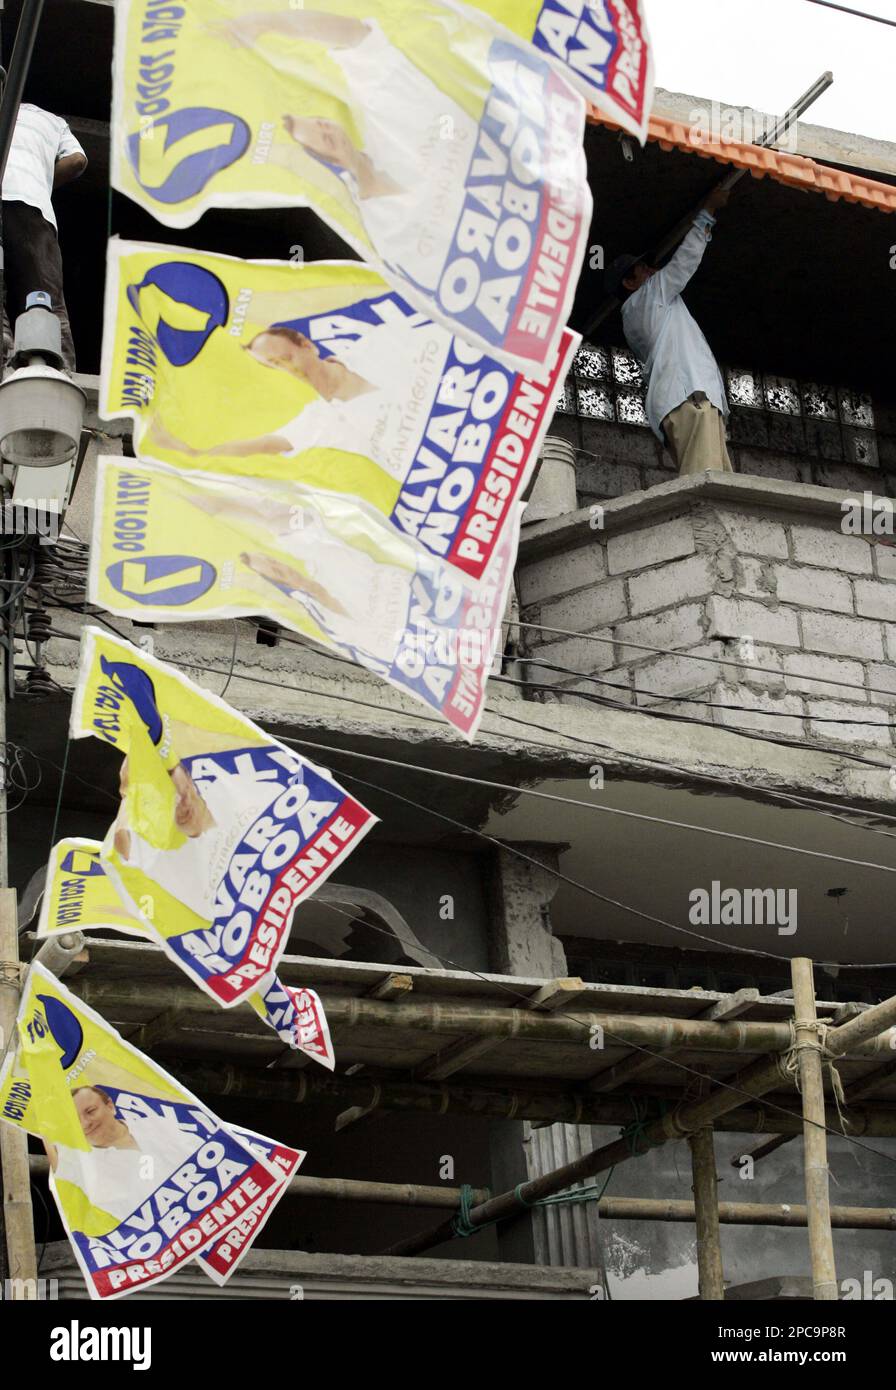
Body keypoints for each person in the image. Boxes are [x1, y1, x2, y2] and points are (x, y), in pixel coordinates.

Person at [214, 8, 475, 292]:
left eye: (323, 124)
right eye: (322, 139)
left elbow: (355, 37)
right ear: (318, 158)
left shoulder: (398, 118)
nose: (328, 130)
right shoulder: (383, 228)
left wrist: (266, 20)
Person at [606, 189, 732, 476]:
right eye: (643, 270)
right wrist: (708, 211)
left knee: (716, 486)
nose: (653, 271)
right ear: (629, 283)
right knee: (709, 487)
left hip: (679, 403)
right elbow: (685, 261)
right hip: (690, 398)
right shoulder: (648, 296)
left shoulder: (634, 317)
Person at [1, 102, 87, 370]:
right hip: (33, 206)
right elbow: (77, 161)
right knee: (45, 299)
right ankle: (59, 372)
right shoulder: (53, 121)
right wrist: (40, 178)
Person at [43, 1085, 201, 1222]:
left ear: (110, 1106)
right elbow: (44, 1129)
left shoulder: (156, 1125)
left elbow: (207, 1154)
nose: (85, 1123)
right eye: (74, 1120)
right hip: (162, 1246)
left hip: (206, 1216)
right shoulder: (79, 1165)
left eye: (90, 1111)